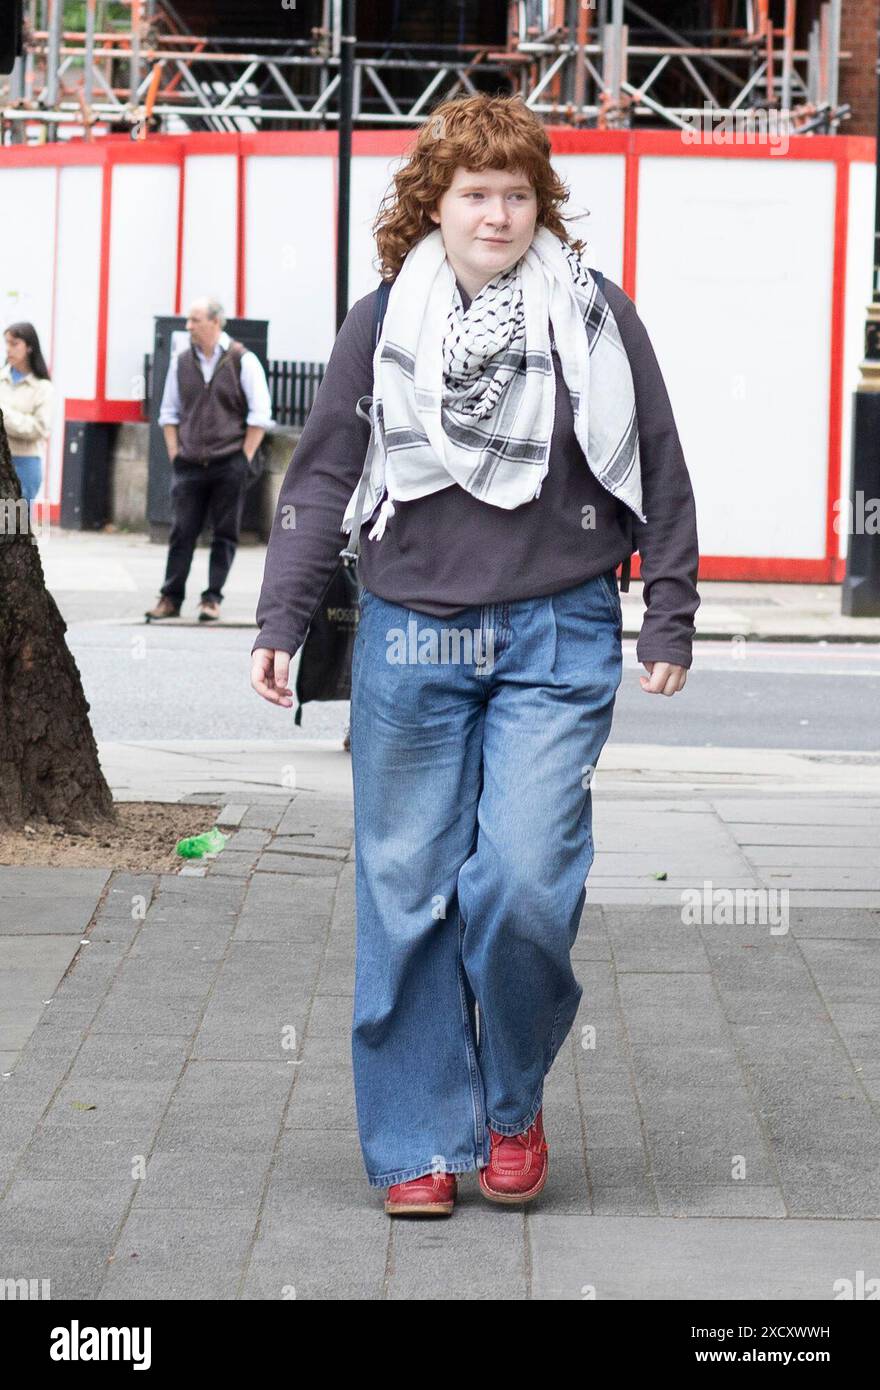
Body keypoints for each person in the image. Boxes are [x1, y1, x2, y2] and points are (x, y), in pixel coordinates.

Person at [250, 94, 700, 1217]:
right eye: (473, 194)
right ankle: (415, 1139)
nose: (495, 215)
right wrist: (281, 619)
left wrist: (671, 607)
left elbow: (656, 456)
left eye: (515, 194)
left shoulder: (593, 317)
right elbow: (321, 479)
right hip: (410, 630)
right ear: (432, 208)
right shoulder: (379, 323)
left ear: (538, 205)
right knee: (405, 893)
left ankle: (508, 1103)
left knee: (523, 885)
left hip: (560, 626)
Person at [145, 297, 274, 623]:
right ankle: (170, 597)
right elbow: (168, 413)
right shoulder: (182, 361)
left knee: (225, 533)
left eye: (195, 320)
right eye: (188, 320)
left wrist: (243, 458)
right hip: (189, 463)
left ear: (216, 322)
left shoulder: (242, 360)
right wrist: (175, 453)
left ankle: (212, 598)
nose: (188, 326)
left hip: (228, 461)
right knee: (181, 532)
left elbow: (261, 415)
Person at [0, 321, 53, 526]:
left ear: (29, 347)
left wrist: (5, 416)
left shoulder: (42, 388)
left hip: (23, 463)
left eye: (15, 344)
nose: (9, 349)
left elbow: (39, 428)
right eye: (7, 343)